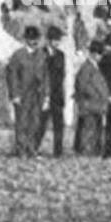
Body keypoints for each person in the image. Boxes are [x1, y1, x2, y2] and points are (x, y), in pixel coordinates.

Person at [5, 25, 49, 157]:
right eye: (31, 39)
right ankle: (21, 150)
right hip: (23, 94)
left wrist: (47, 95)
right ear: (25, 39)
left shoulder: (42, 55)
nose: (34, 42)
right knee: (22, 122)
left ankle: (32, 149)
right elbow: (11, 76)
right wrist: (15, 95)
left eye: (36, 39)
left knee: (35, 122)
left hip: (37, 94)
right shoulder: (18, 55)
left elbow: (46, 76)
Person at [33, 25, 66, 157]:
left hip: (57, 94)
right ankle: (34, 148)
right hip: (44, 94)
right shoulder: (40, 53)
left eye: (58, 40)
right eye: (55, 39)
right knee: (41, 124)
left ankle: (58, 152)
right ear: (48, 40)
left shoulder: (61, 55)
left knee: (59, 124)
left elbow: (62, 76)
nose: (57, 42)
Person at [74, 40, 110, 156]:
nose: (100, 57)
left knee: (96, 127)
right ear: (94, 54)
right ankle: (86, 151)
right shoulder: (86, 67)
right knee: (89, 128)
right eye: (99, 54)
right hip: (89, 103)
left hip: (96, 104)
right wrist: (97, 95)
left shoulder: (94, 67)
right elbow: (83, 86)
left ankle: (93, 150)